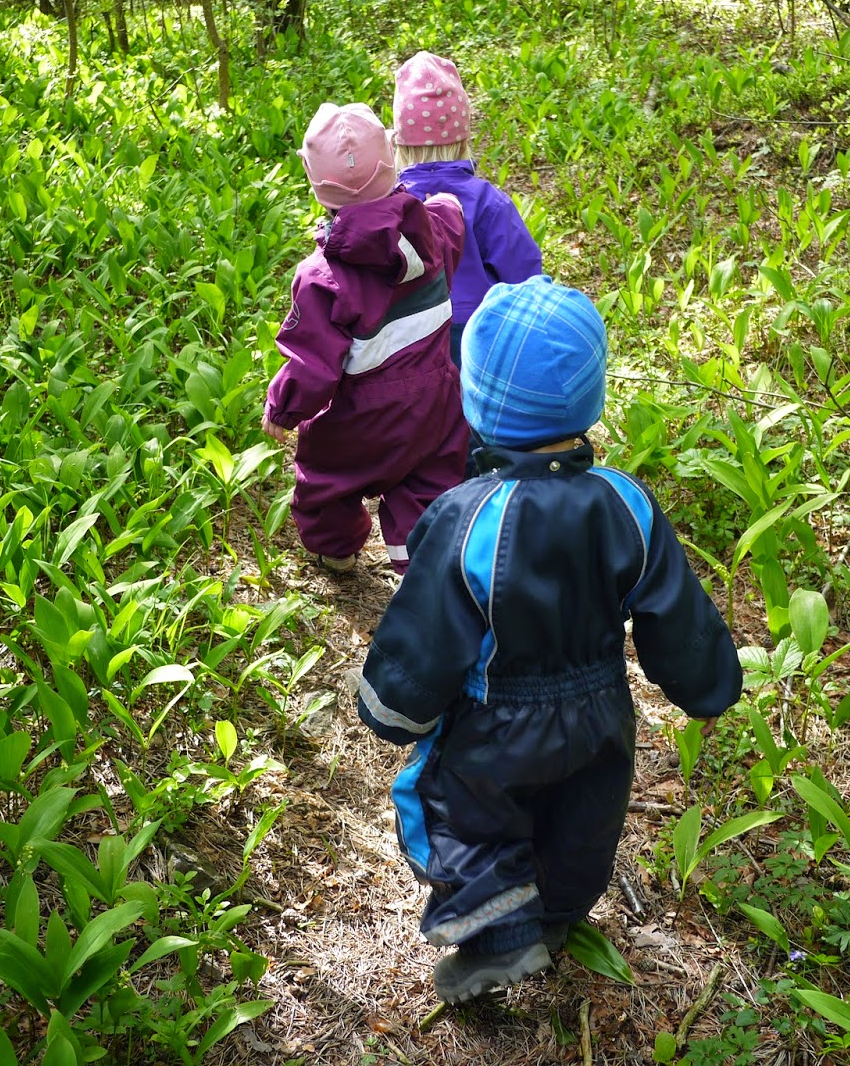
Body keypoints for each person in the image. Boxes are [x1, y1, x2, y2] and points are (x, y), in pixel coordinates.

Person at [356, 277, 742, 1003]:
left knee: (452, 809)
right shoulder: (626, 503)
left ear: (477, 402)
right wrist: (708, 687)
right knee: (580, 820)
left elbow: (426, 630)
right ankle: (555, 918)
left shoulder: (465, 516)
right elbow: (675, 613)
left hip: (493, 715)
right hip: (599, 711)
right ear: (589, 398)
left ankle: (503, 932)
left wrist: (391, 708)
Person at [262, 102, 469, 576]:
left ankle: (336, 550)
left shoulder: (321, 277)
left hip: (360, 418)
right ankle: (422, 568)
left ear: (316, 187)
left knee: (325, 478)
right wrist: (450, 203)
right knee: (429, 479)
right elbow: (451, 219)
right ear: (392, 161)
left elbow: (312, 363)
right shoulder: (433, 230)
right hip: (436, 404)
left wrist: (283, 406)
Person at [390, 51, 544, 367]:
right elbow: (526, 277)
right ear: (463, 139)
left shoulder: (391, 206)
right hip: (483, 341)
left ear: (400, 144)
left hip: (409, 344)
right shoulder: (488, 202)